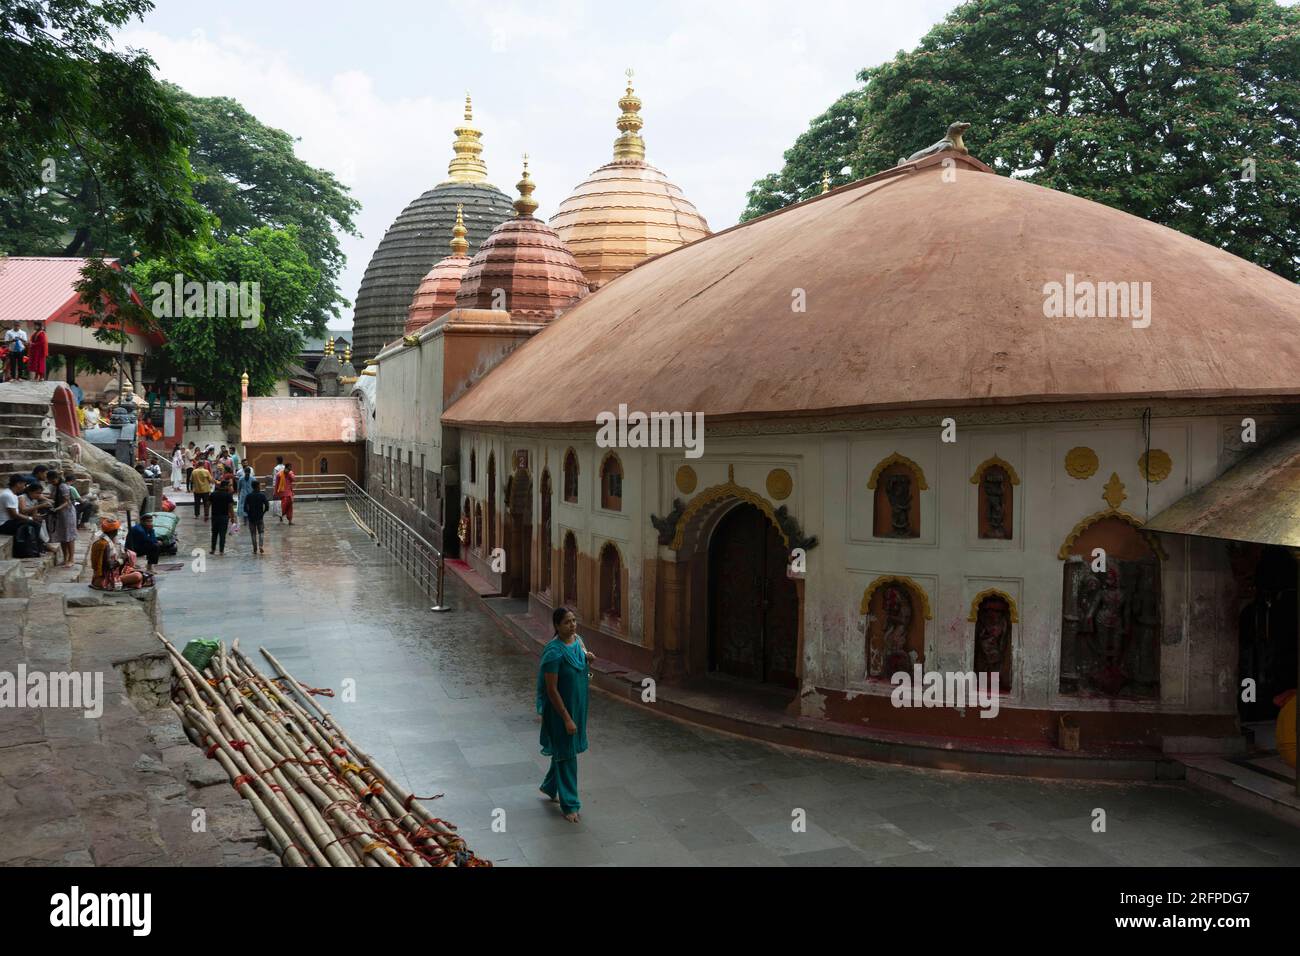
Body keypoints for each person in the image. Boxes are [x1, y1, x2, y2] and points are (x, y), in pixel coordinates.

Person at [536, 606, 594, 823]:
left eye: (574, 620)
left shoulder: (577, 640)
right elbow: (551, 689)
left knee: (564, 749)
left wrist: (587, 657)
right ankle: (570, 804)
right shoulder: (554, 652)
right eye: (567, 622)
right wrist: (566, 718)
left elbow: (582, 655)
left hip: (577, 706)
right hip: (561, 711)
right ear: (557, 626)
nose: (572, 625)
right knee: (567, 754)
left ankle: (550, 786)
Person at [47, 471, 77, 567]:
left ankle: (71, 558)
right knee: (62, 536)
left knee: (69, 536)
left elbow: (67, 502)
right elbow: (52, 497)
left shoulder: (63, 487)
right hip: (60, 514)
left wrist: (56, 509)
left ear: (56, 478)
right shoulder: (54, 486)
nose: (51, 482)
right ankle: (65, 558)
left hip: (67, 513)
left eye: (52, 480)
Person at [90, 519, 122, 590]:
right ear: (114, 532)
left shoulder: (100, 541)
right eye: (117, 530)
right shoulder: (105, 544)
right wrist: (121, 561)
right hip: (105, 580)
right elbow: (109, 565)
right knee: (138, 576)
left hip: (97, 579)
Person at [209, 478, 236, 556]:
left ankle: (213, 549)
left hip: (214, 516)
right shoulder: (228, 495)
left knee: (214, 533)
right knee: (222, 534)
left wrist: (206, 515)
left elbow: (208, 504)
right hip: (224, 517)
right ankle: (221, 551)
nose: (230, 487)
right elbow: (230, 507)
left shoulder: (213, 494)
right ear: (225, 486)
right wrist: (233, 518)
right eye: (229, 486)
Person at [244, 479, 269, 554]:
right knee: (261, 532)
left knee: (253, 533)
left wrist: (248, 513)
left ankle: (255, 548)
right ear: (258, 486)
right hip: (260, 517)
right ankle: (261, 546)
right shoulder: (262, 495)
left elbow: (245, 508)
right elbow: (267, 506)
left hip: (251, 517)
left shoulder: (248, 496)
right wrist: (263, 513)